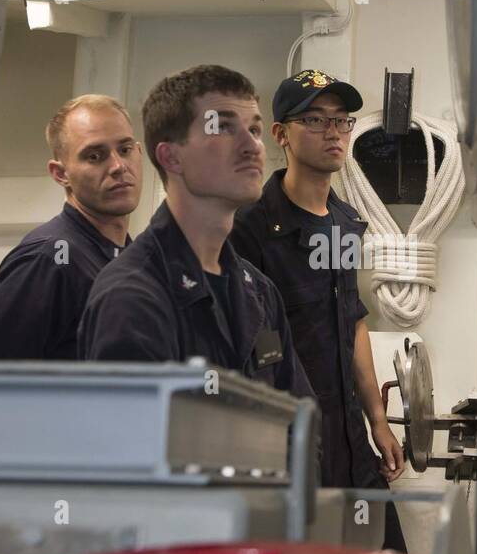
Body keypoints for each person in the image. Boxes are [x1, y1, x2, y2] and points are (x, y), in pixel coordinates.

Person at [230, 68, 407, 552]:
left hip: (352, 440)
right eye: (314, 118)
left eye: (340, 120)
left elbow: (353, 319)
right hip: (289, 446)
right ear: (280, 134)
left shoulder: (345, 224)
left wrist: (376, 419)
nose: (332, 130)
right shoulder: (249, 227)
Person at [78, 65, 313, 403]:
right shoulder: (132, 298)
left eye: (255, 129)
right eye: (223, 127)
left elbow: (302, 422)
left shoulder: (259, 291)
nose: (253, 146)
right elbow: (133, 444)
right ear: (171, 156)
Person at [0, 94, 142, 361]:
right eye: (95, 156)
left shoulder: (132, 260)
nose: (118, 166)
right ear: (61, 174)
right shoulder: (49, 258)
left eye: (125, 150)